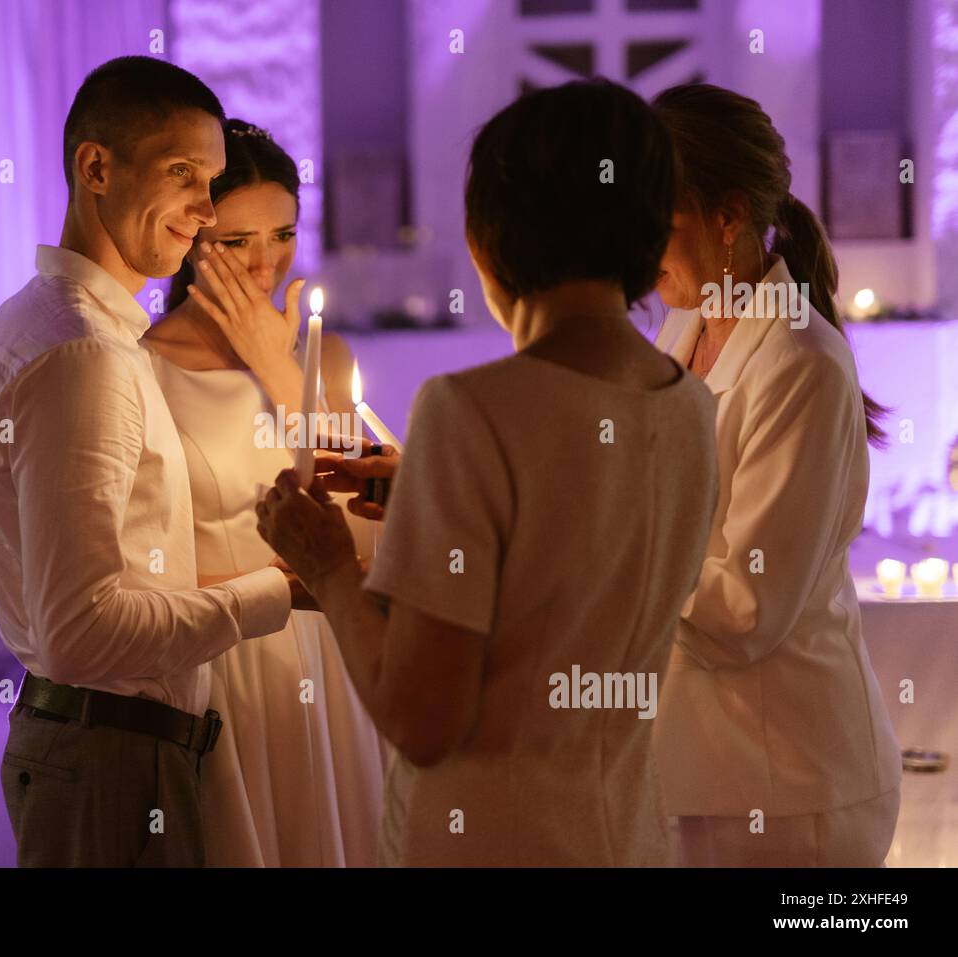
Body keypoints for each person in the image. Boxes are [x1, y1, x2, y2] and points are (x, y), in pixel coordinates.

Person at [256, 79, 720, 866]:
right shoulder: (688, 403)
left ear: (485, 240)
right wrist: (432, 497)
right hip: (626, 831)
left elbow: (423, 719)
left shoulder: (471, 411)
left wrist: (330, 568)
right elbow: (578, 552)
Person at [0, 56, 311, 868]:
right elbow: (82, 630)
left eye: (211, 179)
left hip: (108, 741)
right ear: (95, 168)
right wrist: (280, 591)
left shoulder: (53, 322)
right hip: (111, 749)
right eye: (183, 174)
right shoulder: (86, 351)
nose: (203, 207)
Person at [649, 83, 901, 867]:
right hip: (699, 767)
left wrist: (612, 560)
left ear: (727, 218)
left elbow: (745, 610)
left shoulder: (801, 364)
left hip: (791, 785)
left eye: (661, 218)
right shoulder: (683, 327)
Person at [142, 119, 386, 866]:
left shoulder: (325, 354)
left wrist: (277, 367)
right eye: (236, 240)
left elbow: (372, 529)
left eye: (281, 234)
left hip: (328, 642)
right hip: (227, 654)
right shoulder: (144, 365)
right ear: (192, 240)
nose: (263, 262)